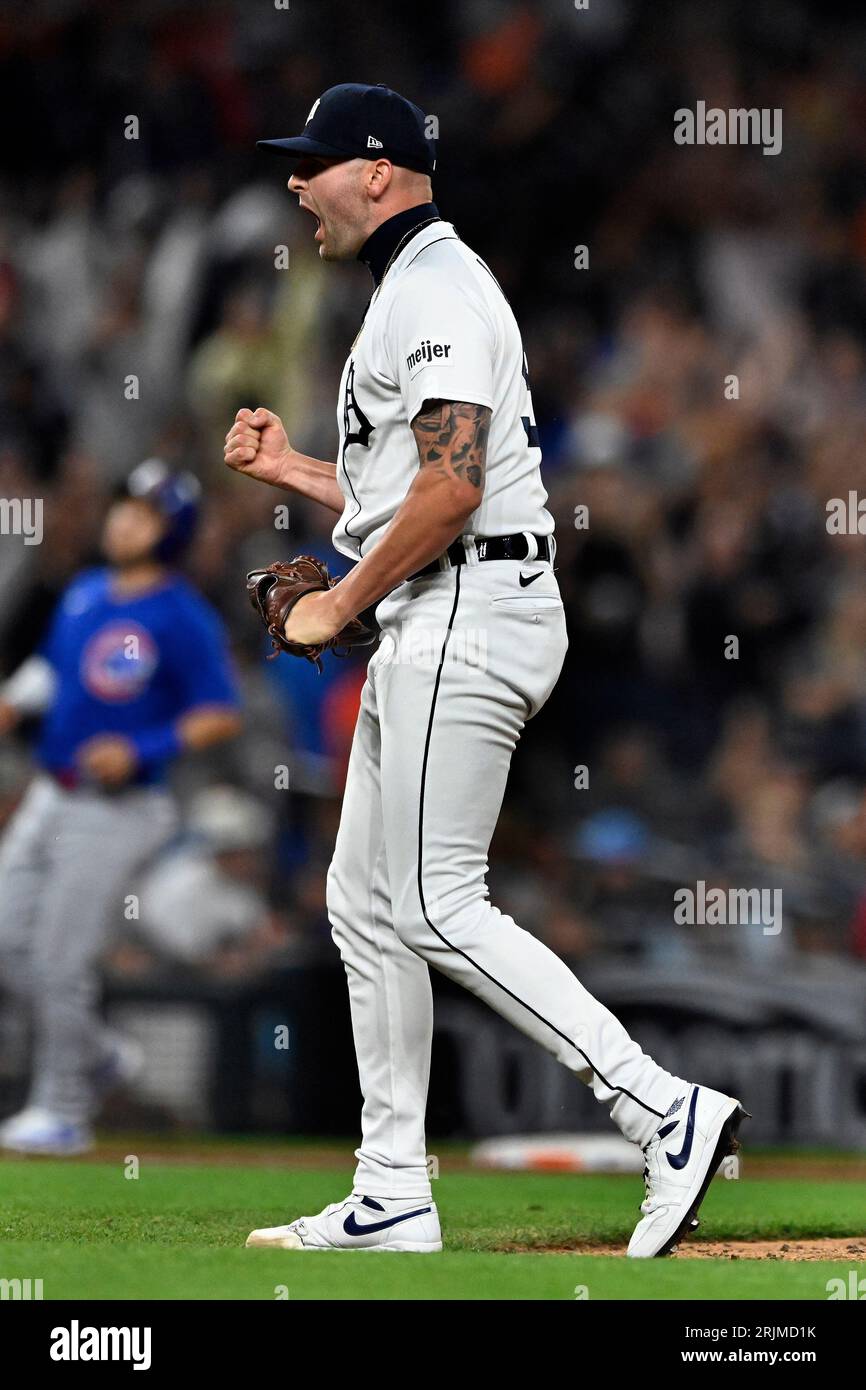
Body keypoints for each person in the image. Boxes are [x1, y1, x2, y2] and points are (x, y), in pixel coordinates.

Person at [225, 84, 748, 1258]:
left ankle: (660, 1108)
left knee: (430, 900)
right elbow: (421, 483)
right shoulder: (406, 290)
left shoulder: (440, 287)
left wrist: (340, 602)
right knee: (362, 904)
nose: (295, 183)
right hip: (443, 602)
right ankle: (392, 1190)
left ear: (376, 170)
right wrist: (301, 470)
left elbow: (454, 491)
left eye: (312, 163)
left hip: (465, 607)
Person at [0, 460, 242, 1154]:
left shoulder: (181, 614)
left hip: (120, 805)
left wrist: (143, 748)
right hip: (53, 790)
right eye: (123, 508)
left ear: (171, 534)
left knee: (58, 957)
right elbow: (55, 666)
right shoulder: (85, 591)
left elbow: (218, 714)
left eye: (144, 514)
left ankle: (64, 1110)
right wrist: (17, 700)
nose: (123, 521)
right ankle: (101, 1057)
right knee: (7, 937)